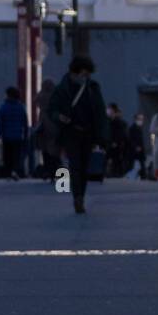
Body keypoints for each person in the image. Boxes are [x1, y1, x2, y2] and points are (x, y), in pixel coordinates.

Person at [48, 56, 110, 214]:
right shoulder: (63, 88)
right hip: (71, 132)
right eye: (83, 73)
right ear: (74, 72)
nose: (85, 77)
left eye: (87, 74)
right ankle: (78, 198)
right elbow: (52, 109)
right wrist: (60, 117)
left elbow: (100, 112)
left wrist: (102, 135)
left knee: (84, 167)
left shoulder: (93, 87)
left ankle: (80, 194)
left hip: (88, 133)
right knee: (75, 165)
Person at [0, 87, 29, 180]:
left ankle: (8, 172)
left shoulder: (4, 107)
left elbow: (0, 122)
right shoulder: (21, 107)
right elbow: (25, 122)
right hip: (18, 136)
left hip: (7, 136)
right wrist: (26, 134)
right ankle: (15, 170)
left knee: (7, 155)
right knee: (17, 156)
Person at [33, 77, 60, 180]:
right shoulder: (56, 96)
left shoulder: (42, 95)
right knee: (55, 151)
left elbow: (35, 100)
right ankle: (56, 170)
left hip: (43, 125)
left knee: (45, 151)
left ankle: (48, 171)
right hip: (55, 124)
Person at [106, 104, 129, 177]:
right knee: (110, 159)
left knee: (116, 160)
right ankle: (110, 173)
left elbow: (120, 134)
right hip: (110, 143)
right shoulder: (109, 121)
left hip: (117, 144)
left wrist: (116, 142)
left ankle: (116, 173)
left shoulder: (119, 122)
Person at [127, 113, 147, 179]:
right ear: (135, 119)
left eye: (142, 119)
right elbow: (131, 139)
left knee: (141, 163)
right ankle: (131, 175)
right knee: (132, 163)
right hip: (134, 149)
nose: (141, 120)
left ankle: (143, 176)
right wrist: (135, 146)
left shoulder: (139, 128)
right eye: (139, 119)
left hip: (140, 148)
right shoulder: (132, 128)